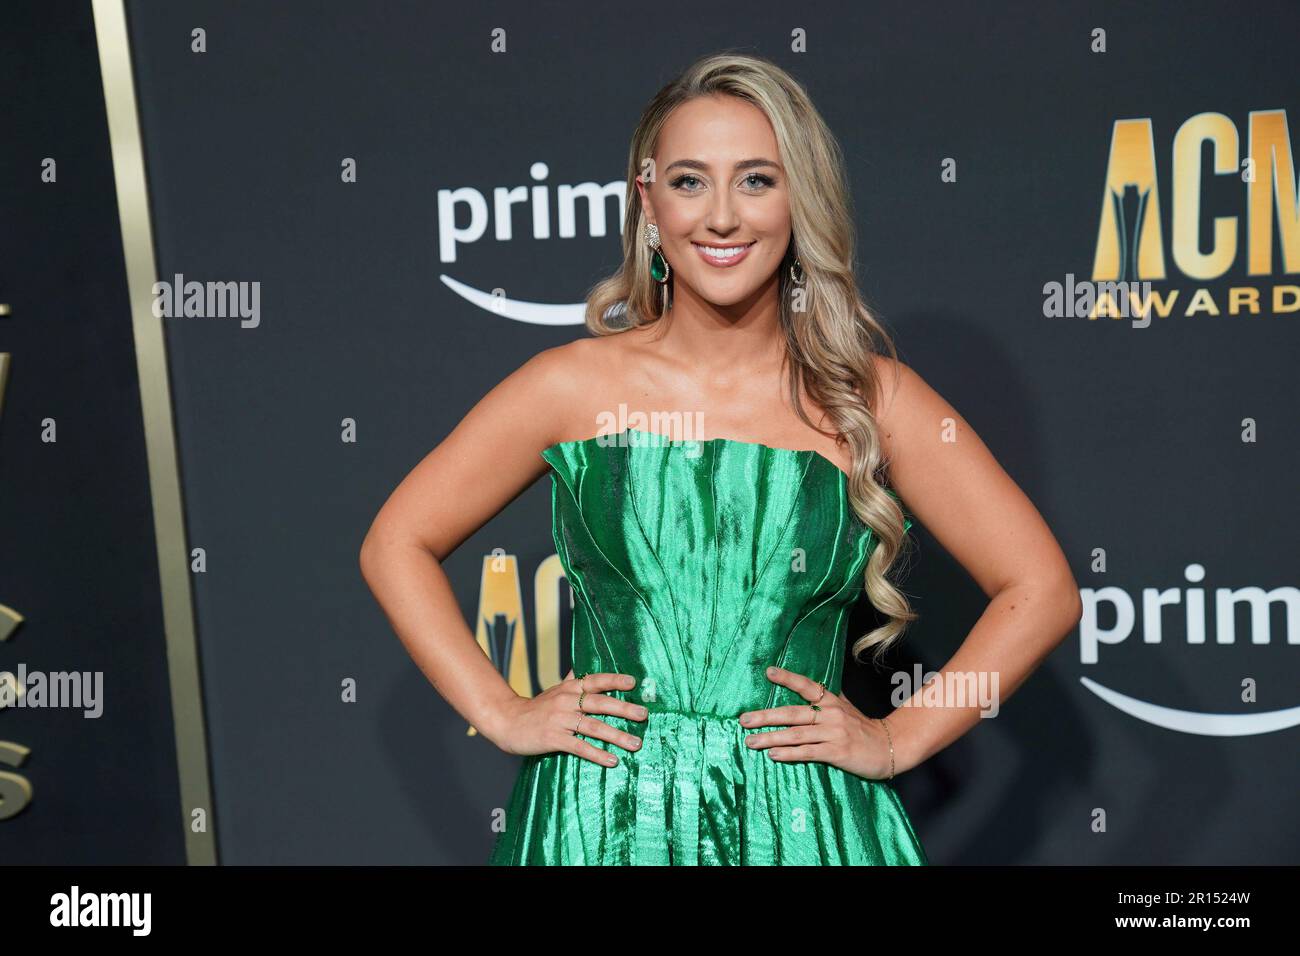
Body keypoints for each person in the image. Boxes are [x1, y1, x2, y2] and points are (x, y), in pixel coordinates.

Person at [359, 51, 1082, 865]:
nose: (723, 218)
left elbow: (1041, 589)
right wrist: (501, 711)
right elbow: (396, 543)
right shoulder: (569, 386)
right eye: (691, 181)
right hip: (603, 818)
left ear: (799, 199)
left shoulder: (870, 398)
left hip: (805, 820)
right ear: (649, 202)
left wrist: (894, 740)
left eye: (757, 181)